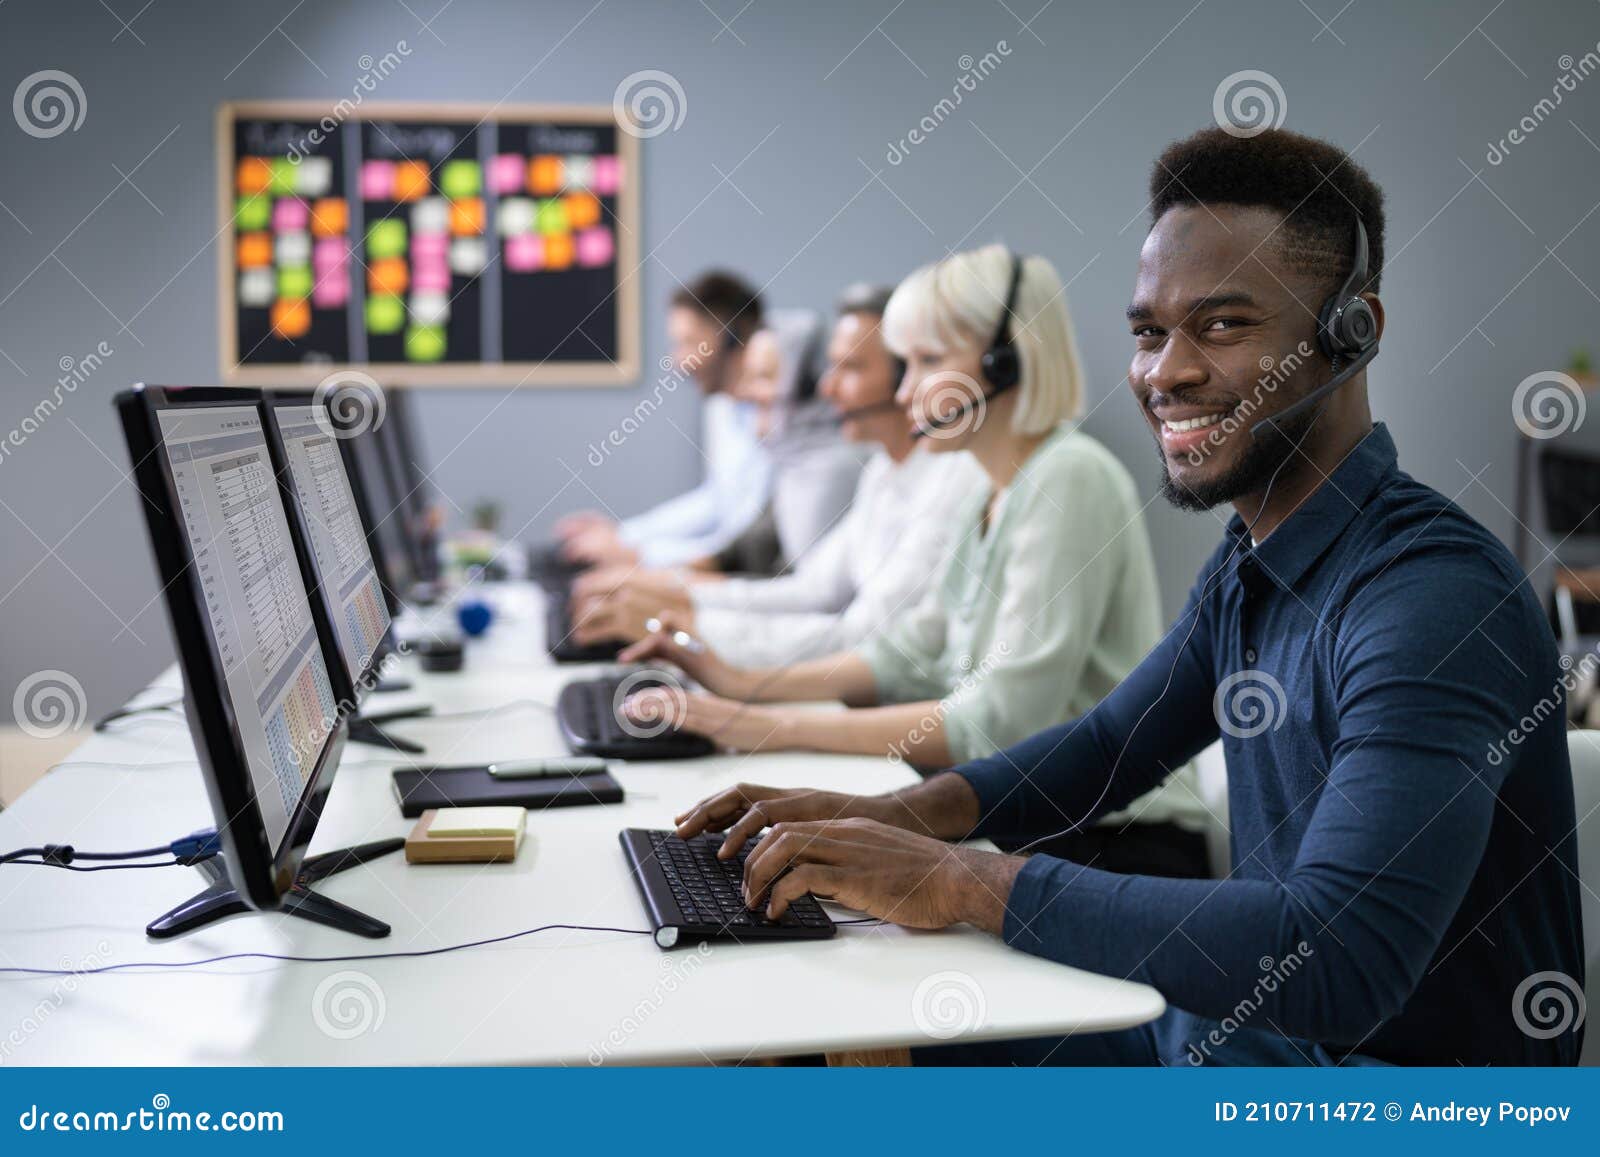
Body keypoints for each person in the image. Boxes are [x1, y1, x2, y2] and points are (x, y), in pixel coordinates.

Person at [672, 128, 1586, 1067]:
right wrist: (888, 815)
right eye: (1150, 331)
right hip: (1232, 1045)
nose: (1165, 372)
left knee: (838, 1056)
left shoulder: (1431, 596)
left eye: (1224, 325)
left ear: (1352, 331)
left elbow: (1341, 955)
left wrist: (962, 881)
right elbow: (1111, 747)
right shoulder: (1250, 562)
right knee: (809, 1037)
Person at [626, 246, 1206, 866]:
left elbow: (999, 720)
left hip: (1114, 842)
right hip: (1018, 818)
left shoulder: (1069, 479)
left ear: (1003, 361)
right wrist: (746, 689)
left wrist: (766, 723)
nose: (905, 393)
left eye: (926, 362)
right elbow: (908, 650)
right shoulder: (983, 482)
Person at [568, 284, 984, 666]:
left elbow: (860, 633)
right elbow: (813, 588)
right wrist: (674, 604)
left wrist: (682, 624)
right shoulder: (882, 470)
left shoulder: (931, 480)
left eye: (851, 368)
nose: (827, 388)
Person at [555, 270, 772, 569]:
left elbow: (739, 546)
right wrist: (623, 535)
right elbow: (716, 501)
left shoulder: (776, 417)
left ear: (734, 341)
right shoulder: (721, 408)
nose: (677, 361)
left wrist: (639, 555)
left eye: (690, 343)